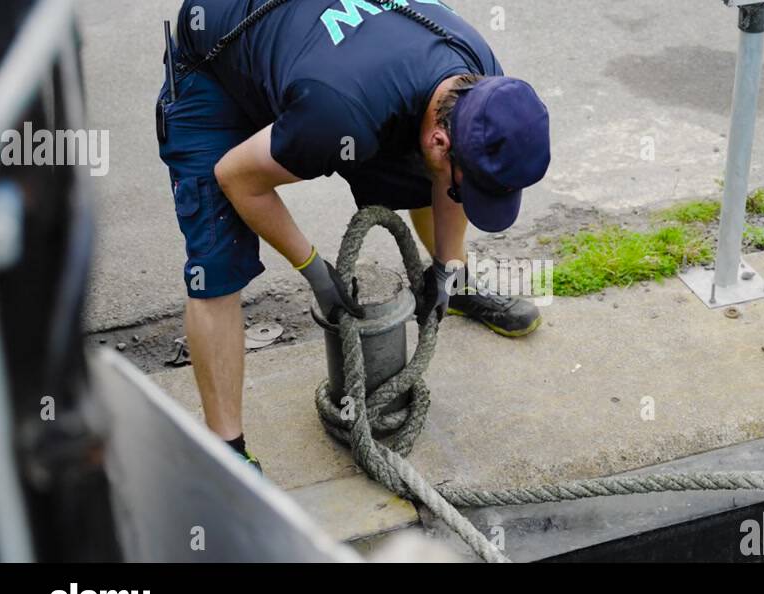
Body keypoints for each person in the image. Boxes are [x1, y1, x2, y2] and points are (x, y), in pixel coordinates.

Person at [157, 0, 551, 469]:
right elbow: (238, 177)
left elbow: (448, 180)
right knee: (215, 266)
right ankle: (226, 456)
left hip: (316, 62)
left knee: (422, 173)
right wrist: (316, 272)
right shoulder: (339, 113)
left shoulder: (479, 76)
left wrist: (449, 265)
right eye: (473, 187)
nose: (468, 194)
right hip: (216, 64)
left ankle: (456, 285)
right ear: (441, 140)